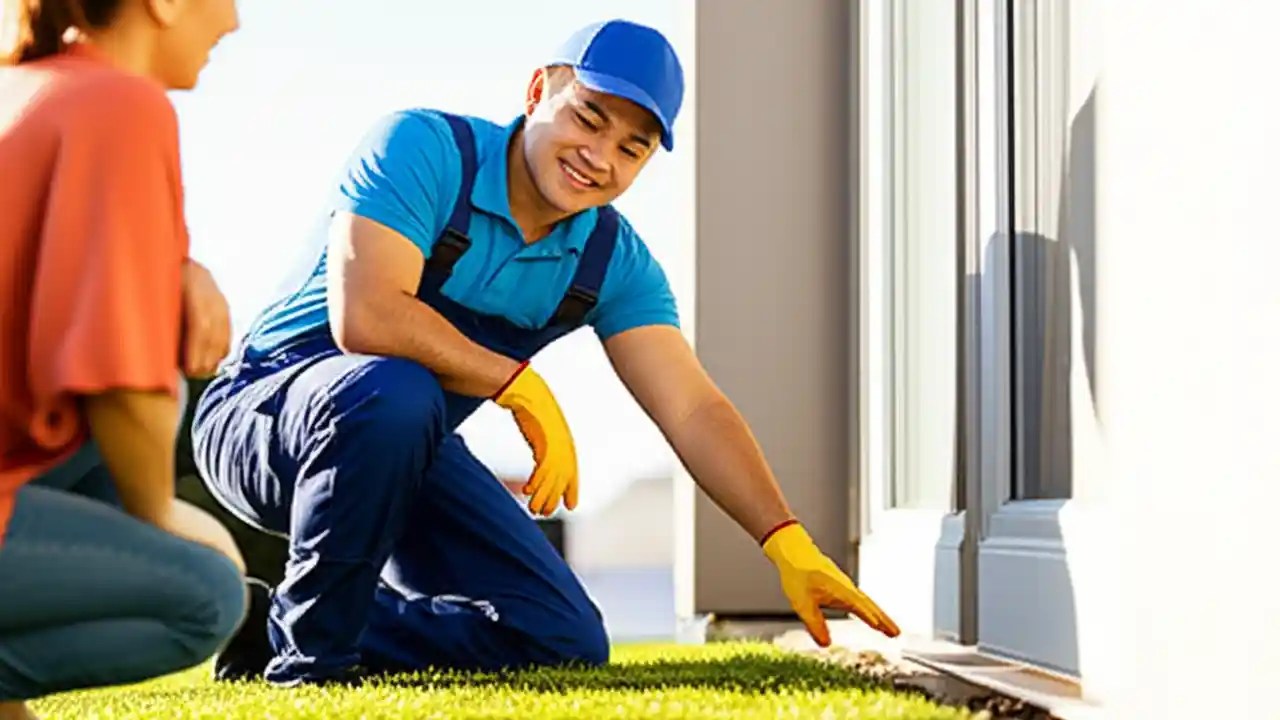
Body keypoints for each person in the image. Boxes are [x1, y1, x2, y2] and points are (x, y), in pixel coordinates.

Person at [193, 18, 901, 688]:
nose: (601, 156)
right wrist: (518, 385)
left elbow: (691, 407)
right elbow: (368, 316)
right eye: (588, 118)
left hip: (406, 444)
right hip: (264, 420)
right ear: (539, 92)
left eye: (634, 147)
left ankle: (268, 629)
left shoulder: (609, 261)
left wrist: (784, 541)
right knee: (396, 390)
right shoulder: (423, 149)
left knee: (557, 636)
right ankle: (311, 668)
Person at [0, 1, 247, 718]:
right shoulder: (120, 105)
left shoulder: (29, 89)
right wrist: (162, 514)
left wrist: (179, 268)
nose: (233, 23)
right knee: (205, 593)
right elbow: (120, 379)